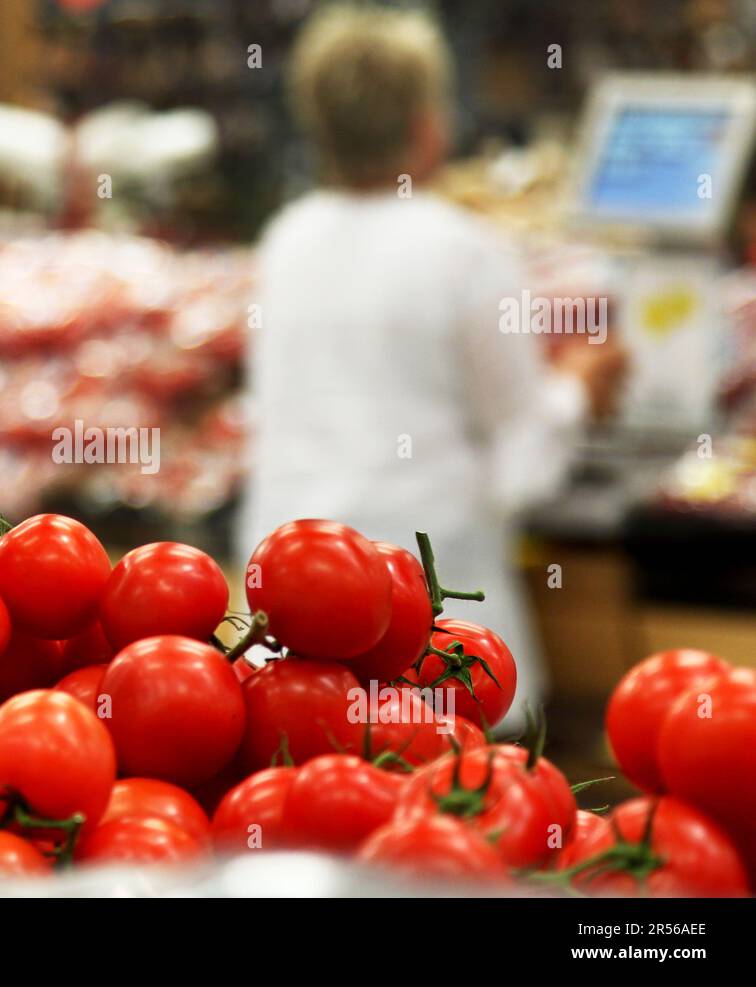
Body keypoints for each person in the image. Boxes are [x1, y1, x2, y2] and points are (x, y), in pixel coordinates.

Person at [239, 4, 626, 720]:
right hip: (436, 637)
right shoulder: (466, 251)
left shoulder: (286, 240)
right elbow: (523, 462)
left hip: (291, 636)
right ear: (427, 124)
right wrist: (578, 387)